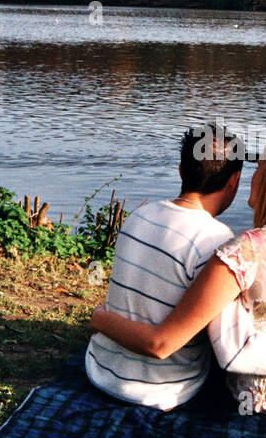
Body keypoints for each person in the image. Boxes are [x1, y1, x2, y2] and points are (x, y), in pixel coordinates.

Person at [90, 133, 266, 418]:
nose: (251, 178)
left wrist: (100, 319)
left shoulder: (241, 251)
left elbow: (168, 343)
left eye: (259, 169)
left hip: (265, 402)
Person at [84, 123, 243, 410]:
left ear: (181, 171)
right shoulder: (217, 240)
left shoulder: (139, 216)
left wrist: (101, 318)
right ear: (234, 181)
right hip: (161, 391)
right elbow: (162, 345)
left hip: (99, 370)